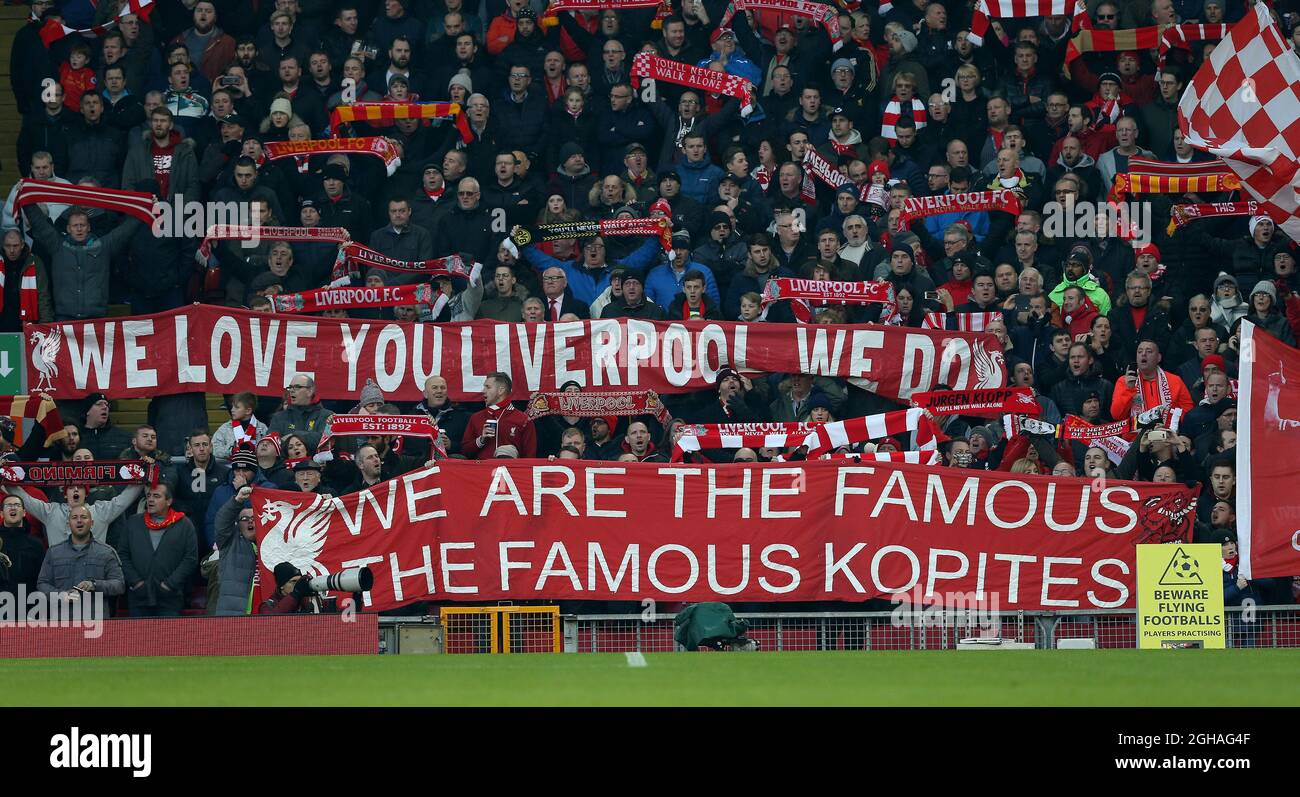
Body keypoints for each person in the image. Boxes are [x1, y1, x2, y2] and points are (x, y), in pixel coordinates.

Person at [116, 483, 199, 617]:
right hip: (139, 598)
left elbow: (190, 559)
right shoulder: (133, 522)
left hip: (170, 598)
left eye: (156, 496)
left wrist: (170, 584)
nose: (150, 500)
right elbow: (122, 556)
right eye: (148, 496)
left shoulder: (184, 524)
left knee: (167, 638)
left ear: (168, 501)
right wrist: (136, 582)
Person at [36, 504, 125, 617]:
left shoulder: (106, 552)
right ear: (68, 525)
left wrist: (95, 585)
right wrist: (61, 596)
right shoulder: (54, 552)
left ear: (92, 523)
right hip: (63, 621)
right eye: (74, 517)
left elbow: (119, 585)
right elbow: (42, 584)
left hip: (96, 623)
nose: (79, 521)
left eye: (83, 517)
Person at [462, 372, 536, 459]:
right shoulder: (476, 418)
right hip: (481, 470)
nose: (483, 391)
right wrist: (481, 440)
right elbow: (464, 451)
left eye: (488, 387)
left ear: (501, 390)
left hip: (511, 471)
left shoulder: (523, 420)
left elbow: (530, 457)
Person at [212, 485, 258, 616]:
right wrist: (237, 500)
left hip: (263, 615)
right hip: (233, 615)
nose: (250, 522)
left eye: (254, 518)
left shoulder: (271, 544)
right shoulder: (229, 541)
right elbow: (222, 521)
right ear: (237, 524)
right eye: (244, 519)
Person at [0, 493, 44, 594]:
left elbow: (42, 580)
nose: (13, 508)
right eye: (8, 505)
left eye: (17, 505)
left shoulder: (36, 544)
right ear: (2, 513)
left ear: (24, 512)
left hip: (29, 604)